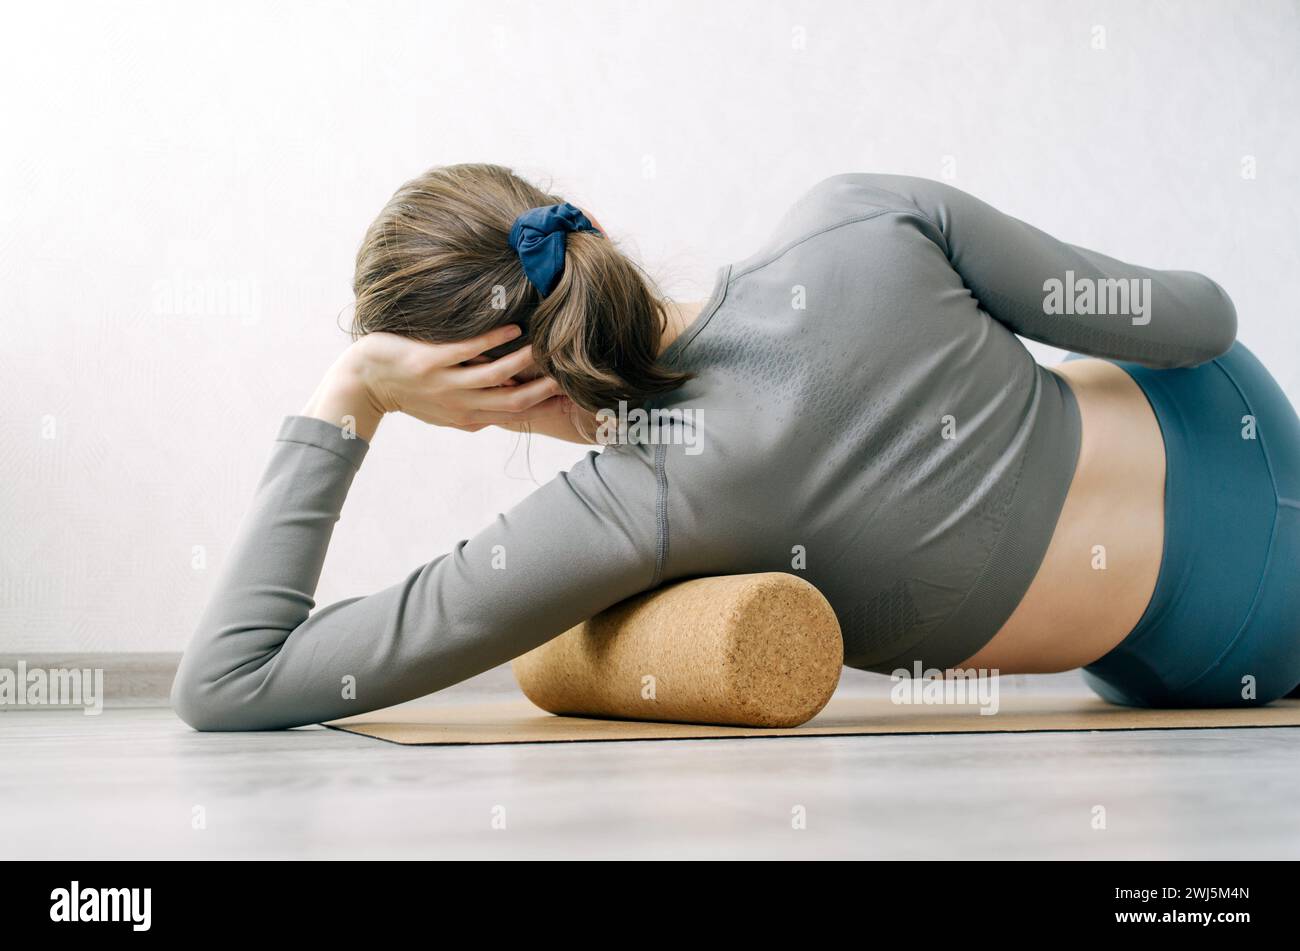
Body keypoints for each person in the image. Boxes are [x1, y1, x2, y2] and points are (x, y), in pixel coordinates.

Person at [171, 165, 1300, 731]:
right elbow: (1199, 321)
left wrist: (352, 394)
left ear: (466, 393)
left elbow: (227, 681)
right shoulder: (864, 218)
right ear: (591, 234)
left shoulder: (630, 510)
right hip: (1233, 417)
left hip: (1227, 644)